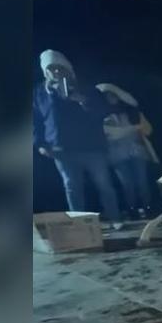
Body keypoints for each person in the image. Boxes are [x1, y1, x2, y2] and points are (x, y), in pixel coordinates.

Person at [33, 49, 123, 229]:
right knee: (72, 187)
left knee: (104, 184)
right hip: (61, 150)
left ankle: (115, 218)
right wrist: (40, 144)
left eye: (60, 67)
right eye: (52, 69)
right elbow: (35, 120)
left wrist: (83, 100)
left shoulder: (86, 88)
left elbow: (103, 112)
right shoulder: (39, 93)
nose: (56, 72)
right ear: (45, 71)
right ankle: (79, 224)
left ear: (67, 68)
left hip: (91, 147)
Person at [97, 83, 158, 220]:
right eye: (107, 96)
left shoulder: (133, 112)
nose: (111, 98)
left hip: (137, 152)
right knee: (127, 184)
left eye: (113, 95)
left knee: (142, 182)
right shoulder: (101, 116)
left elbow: (148, 130)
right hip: (118, 156)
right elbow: (112, 134)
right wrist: (135, 128)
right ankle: (132, 210)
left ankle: (147, 209)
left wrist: (138, 124)